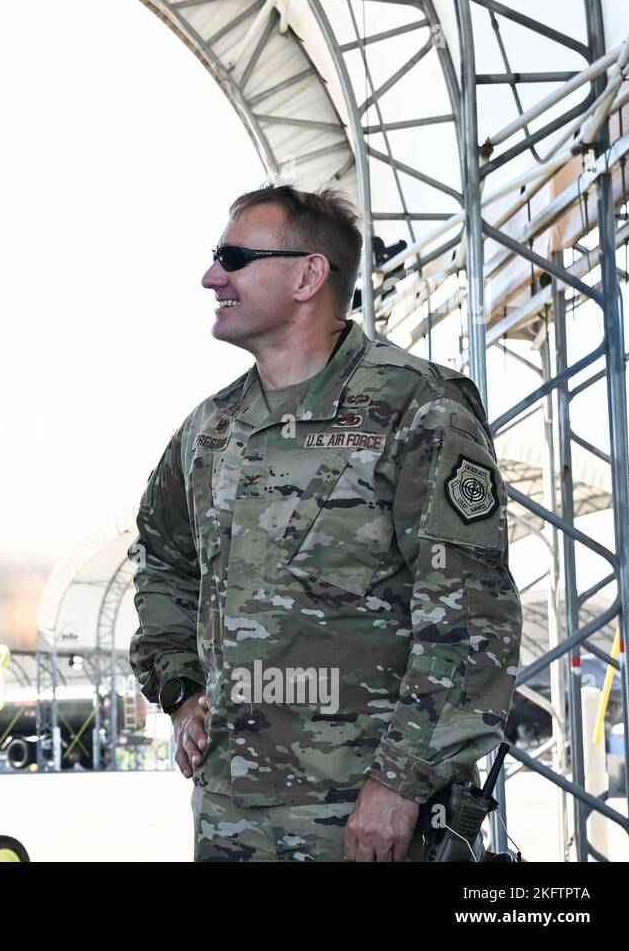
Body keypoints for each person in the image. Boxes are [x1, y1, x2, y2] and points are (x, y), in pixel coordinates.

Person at [128, 184, 521, 862]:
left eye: (235, 257)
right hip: (230, 815)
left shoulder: (416, 408)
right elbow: (163, 561)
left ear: (310, 275)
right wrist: (181, 688)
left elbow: (469, 618)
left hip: (366, 820)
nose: (210, 276)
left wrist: (400, 783)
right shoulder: (209, 430)